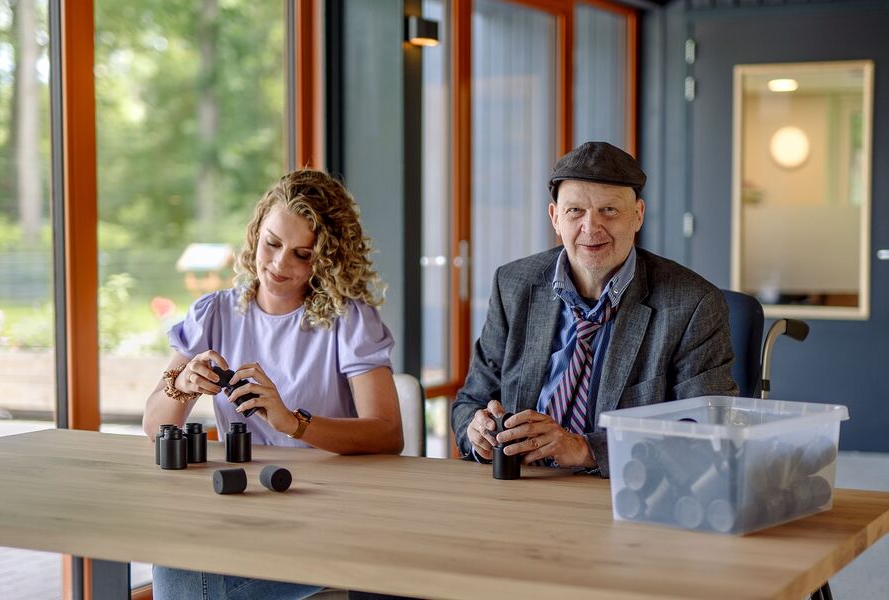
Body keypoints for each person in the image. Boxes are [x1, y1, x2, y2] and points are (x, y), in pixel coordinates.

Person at [144, 169, 404, 599]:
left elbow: (388, 433)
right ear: (255, 233)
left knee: (191, 582)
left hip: (331, 511)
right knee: (174, 560)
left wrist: (291, 422)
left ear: (328, 259)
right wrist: (182, 386)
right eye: (272, 243)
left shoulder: (350, 321)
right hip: (247, 504)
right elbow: (154, 426)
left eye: (303, 254)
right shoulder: (214, 313)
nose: (280, 265)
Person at [451, 141, 737, 477]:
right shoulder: (513, 285)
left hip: (626, 495)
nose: (591, 227)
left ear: (638, 216)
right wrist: (477, 432)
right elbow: (469, 402)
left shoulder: (692, 304)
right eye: (575, 211)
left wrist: (585, 449)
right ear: (555, 217)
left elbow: (706, 433)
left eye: (609, 210)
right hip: (522, 487)